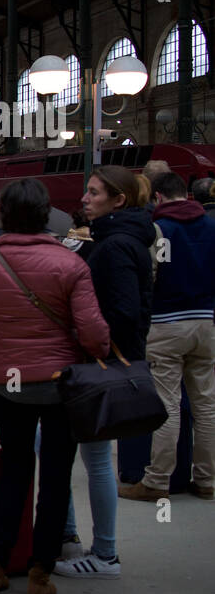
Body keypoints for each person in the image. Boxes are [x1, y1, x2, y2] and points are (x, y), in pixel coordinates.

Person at [0, 179, 110, 594]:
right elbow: (95, 337)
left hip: (10, 387)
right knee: (57, 478)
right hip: (61, 388)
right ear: (46, 215)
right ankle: (40, 573)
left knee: (14, 471)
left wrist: (1, 331)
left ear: (4, 215)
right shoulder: (72, 265)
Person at [55, 165, 153, 578]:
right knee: (77, 453)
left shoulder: (113, 247)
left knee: (89, 458)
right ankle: (74, 536)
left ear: (119, 200)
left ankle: (103, 552)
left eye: (94, 193)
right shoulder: (128, 239)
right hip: (106, 362)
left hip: (97, 366)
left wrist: (91, 339)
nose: (84, 198)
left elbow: (125, 311)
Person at [125, 171, 215, 501]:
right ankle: (206, 480)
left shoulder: (161, 230)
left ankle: (157, 480)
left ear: (159, 197)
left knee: (168, 404)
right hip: (206, 324)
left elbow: (151, 278)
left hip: (166, 325)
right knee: (206, 405)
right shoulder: (211, 226)